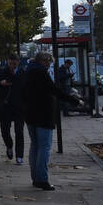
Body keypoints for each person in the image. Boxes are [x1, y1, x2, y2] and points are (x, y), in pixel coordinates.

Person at [22, 52, 82, 190]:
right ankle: (42, 179)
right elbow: (54, 90)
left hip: (30, 114)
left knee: (35, 146)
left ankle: (35, 177)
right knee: (44, 147)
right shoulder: (41, 73)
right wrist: (74, 100)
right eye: (48, 62)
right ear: (43, 61)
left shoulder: (27, 72)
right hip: (43, 114)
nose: (49, 65)